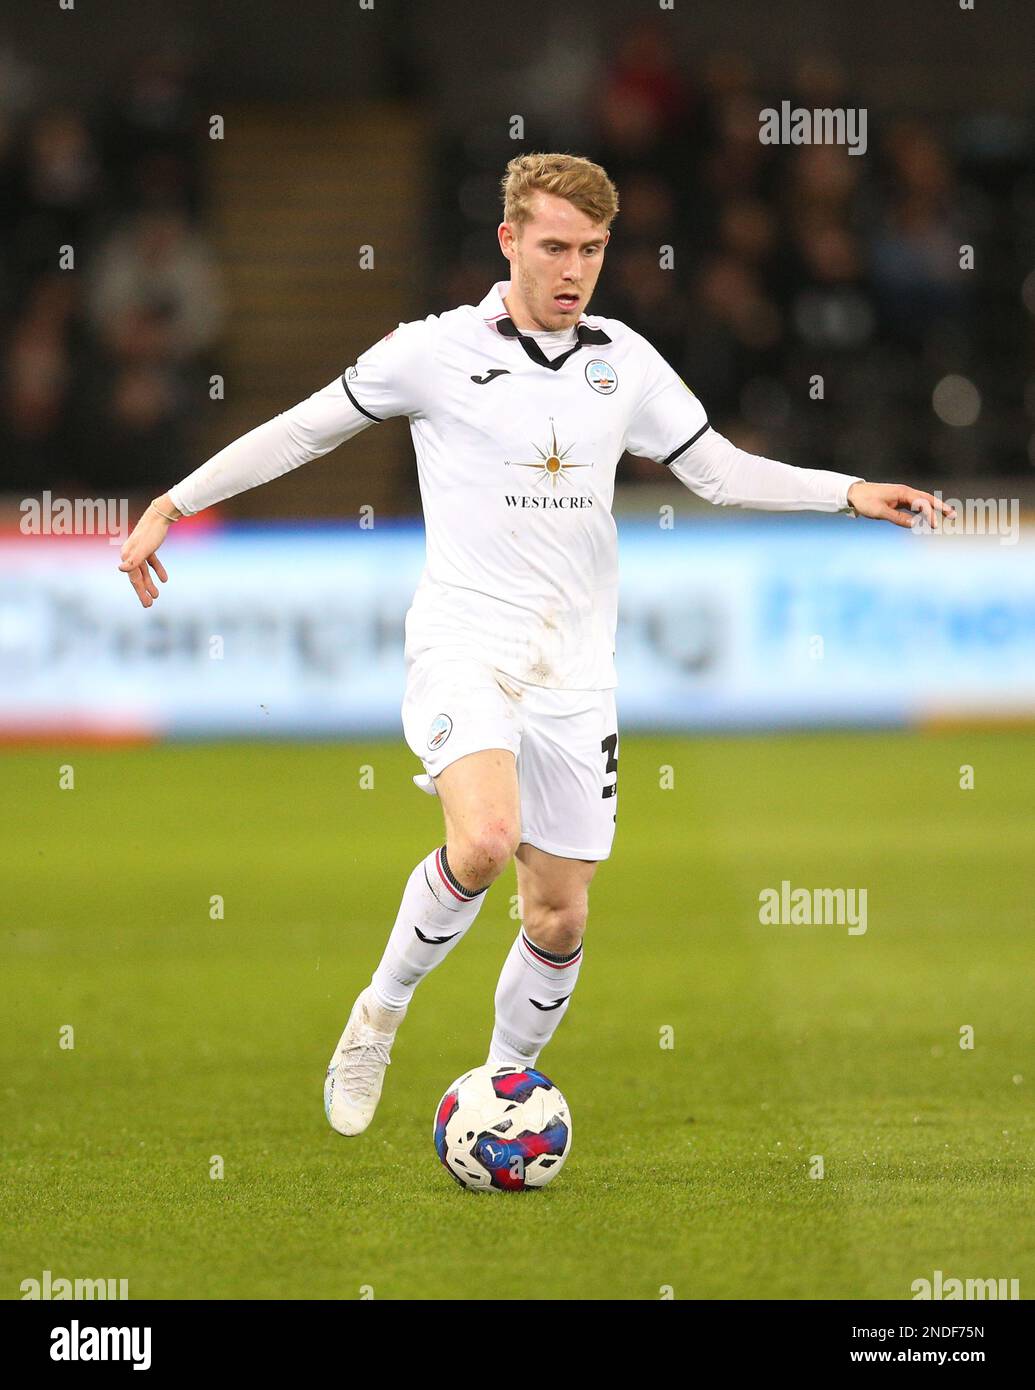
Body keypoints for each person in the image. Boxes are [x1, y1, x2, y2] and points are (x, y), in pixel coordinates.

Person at [119, 152, 952, 1137]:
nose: (574, 269)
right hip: (465, 643)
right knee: (481, 838)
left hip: (575, 671)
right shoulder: (430, 351)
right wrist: (174, 504)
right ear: (510, 240)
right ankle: (377, 1017)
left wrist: (846, 491)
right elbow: (303, 432)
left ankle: (501, 1096)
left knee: (558, 914)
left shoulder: (624, 361)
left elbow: (718, 472)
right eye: (555, 246)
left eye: (592, 250)